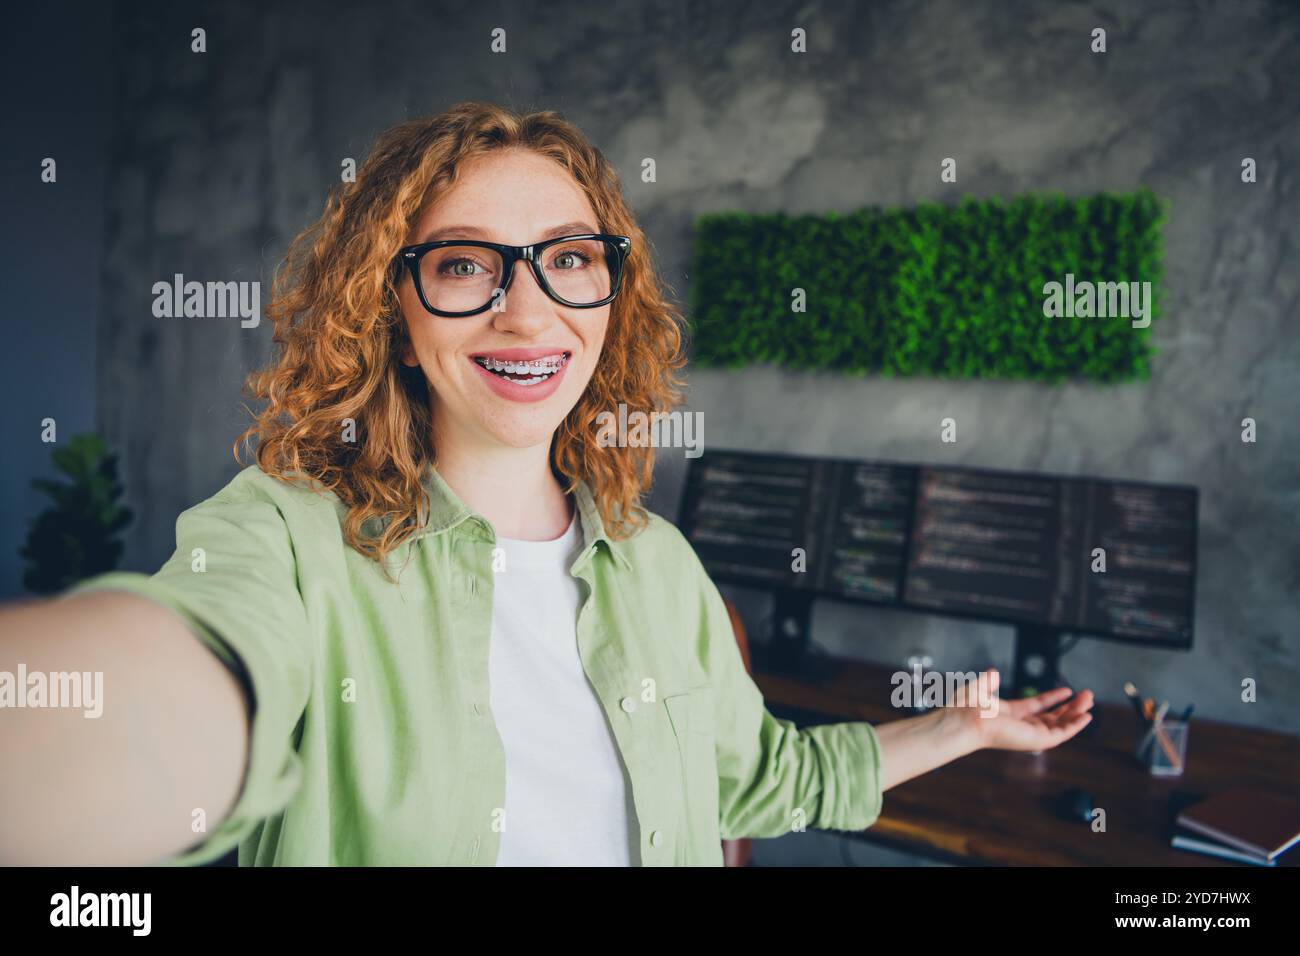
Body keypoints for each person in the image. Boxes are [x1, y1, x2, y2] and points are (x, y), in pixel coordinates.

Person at [0, 101, 1094, 866]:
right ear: (394, 305)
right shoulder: (287, 533)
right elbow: (183, 685)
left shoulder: (657, 566)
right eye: (466, 263)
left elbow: (759, 778)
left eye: (568, 258)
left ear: (610, 291)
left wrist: (962, 728)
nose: (527, 313)